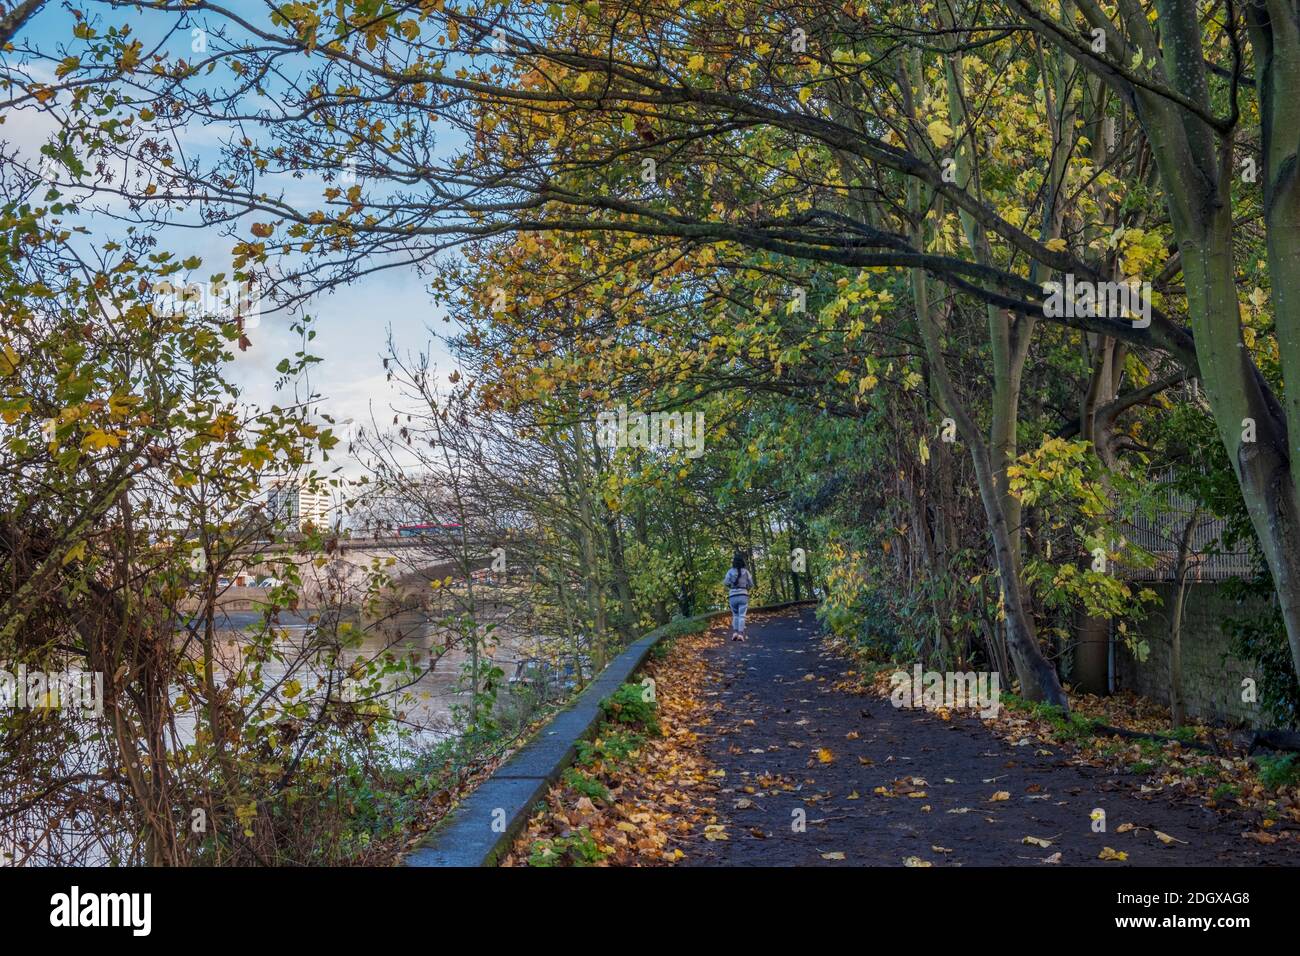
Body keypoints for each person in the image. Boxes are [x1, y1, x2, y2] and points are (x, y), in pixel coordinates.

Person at [723, 552, 753, 641]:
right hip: (743, 594)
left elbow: (725, 582)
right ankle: (740, 634)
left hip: (732, 595)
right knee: (742, 616)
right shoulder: (746, 572)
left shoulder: (730, 571)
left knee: (735, 615)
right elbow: (751, 584)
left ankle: (735, 633)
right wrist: (746, 587)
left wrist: (731, 586)